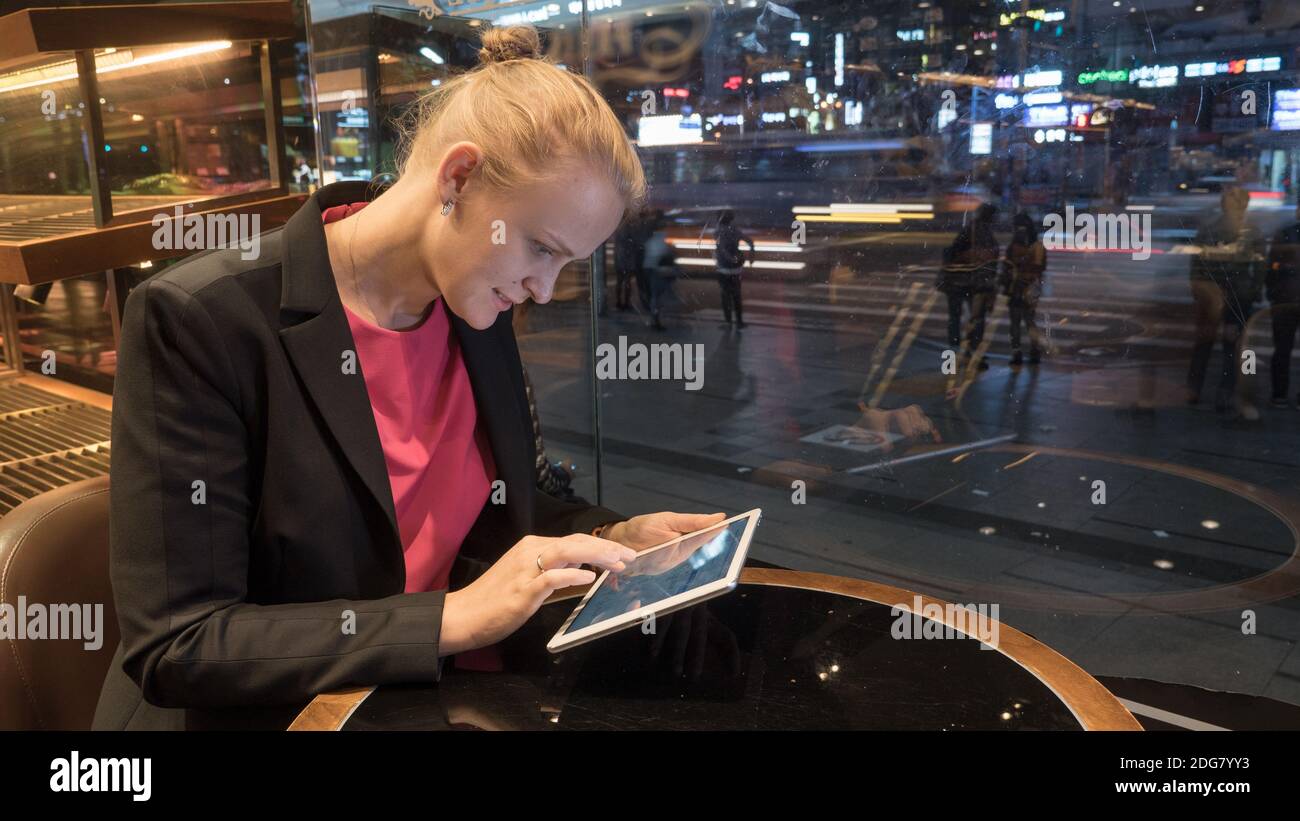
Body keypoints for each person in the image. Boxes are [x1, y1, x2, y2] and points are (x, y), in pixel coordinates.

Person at [94, 25, 725, 730]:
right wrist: (448, 620)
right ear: (457, 179)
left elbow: (496, 511)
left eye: (566, 264)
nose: (545, 290)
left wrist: (615, 535)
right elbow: (180, 644)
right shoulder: (203, 319)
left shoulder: (473, 303)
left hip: (433, 697)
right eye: (540, 248)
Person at [1186, 186, 1265, 416]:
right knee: (1233, 346)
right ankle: (1225, 393)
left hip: (1214, 293)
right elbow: (1259, 266)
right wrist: (1255, 291)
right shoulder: (1251, 232)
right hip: (1238, 294)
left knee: (1205, 344)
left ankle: (1195, 389)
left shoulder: (1209, 229)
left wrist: (1197, 287)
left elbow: (1196, 262)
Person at [939, 202, 999, 370]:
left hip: (955, 282)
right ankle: (973, 353)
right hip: (973, 284)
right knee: (977, 319)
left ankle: (954, 355)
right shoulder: (984, 234)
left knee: (955, 319)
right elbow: (989, 263)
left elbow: (952, 252)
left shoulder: (969, 230)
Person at [1000, 212, 1047, 365]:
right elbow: (1042, 267)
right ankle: (1035, 351)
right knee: (1030, 321)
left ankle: (1017, 353)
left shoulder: (1014, 246)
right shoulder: (1039, 246)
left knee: (1015, 322)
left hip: (1017, 288)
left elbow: (1007, 267)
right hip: (1032, 288)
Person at [1266, 203, 1300, 408]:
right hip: (1285, 297)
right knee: (1282, 349)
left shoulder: (1285, 234)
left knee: (1281, 349)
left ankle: (1279, 394)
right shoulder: (1284, 234)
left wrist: (1272, 292)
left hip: (1284, 297)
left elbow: (1271, 267)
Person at [714, 209, 754, 329]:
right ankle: (739, 322)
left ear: (719, 219)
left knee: (725, 296)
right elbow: (750, 241)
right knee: (736, 296)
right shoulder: (735, 231)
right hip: (736, 269)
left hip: (723, 269)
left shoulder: (718, 232)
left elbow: (721, 249)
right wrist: (751, 256)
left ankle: (728, 322)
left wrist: (728, 258)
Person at [641, 209, 677, 330]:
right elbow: (662, 249)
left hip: (650, 266)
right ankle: (655, 318)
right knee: (658, 296)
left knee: (654, 295)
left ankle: (654, 317)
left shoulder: (651, 233)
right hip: (656, 268)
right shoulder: (660, 235)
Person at [613, 205, 652, 312]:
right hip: (627, 257)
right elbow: (634, 240)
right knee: (626, 281)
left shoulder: (618, 225)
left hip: (619, 257)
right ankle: (625, 302)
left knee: (620, 281)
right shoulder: (628, 227)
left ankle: (619, 302)